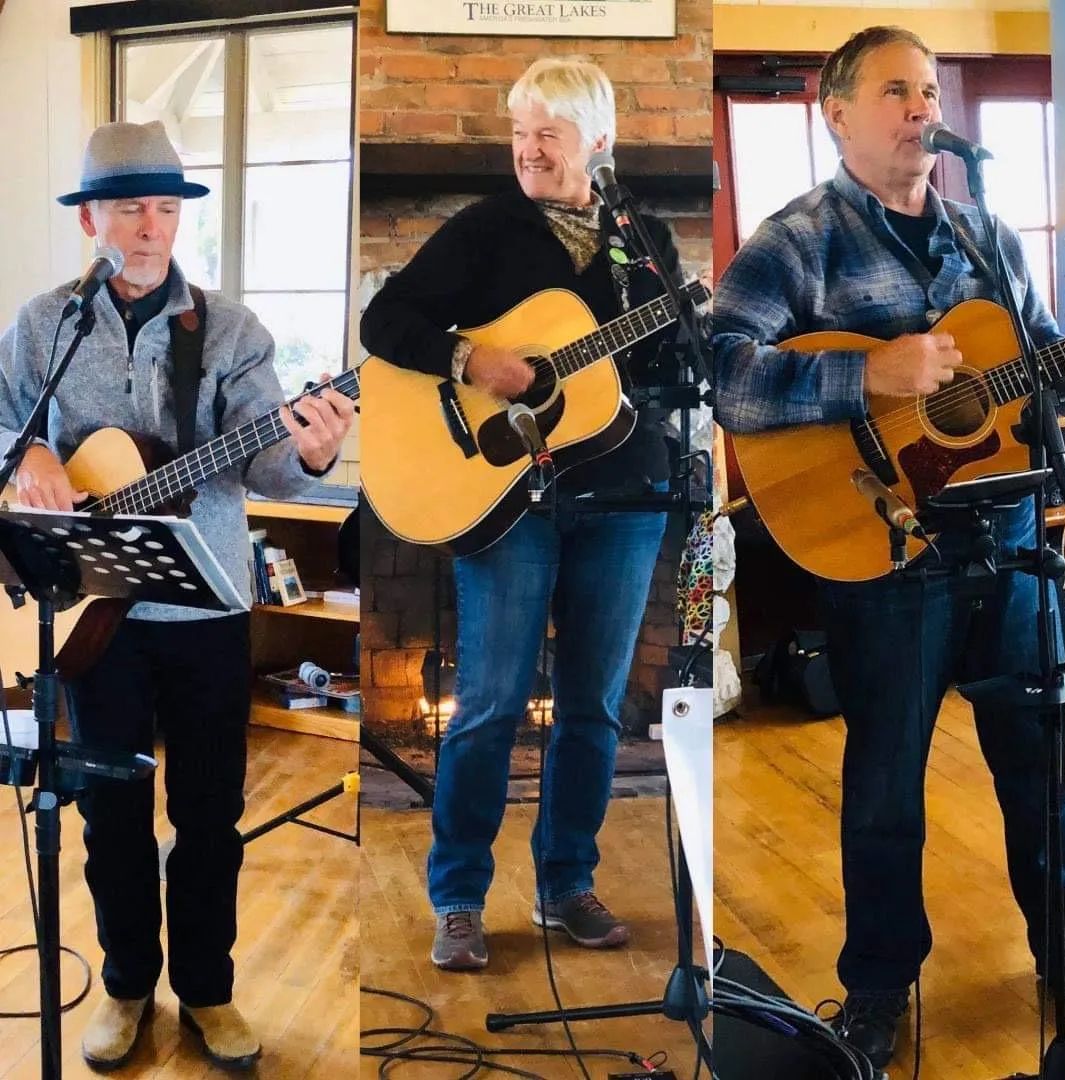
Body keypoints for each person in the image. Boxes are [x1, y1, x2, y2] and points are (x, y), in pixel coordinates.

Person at [713, 26, 1065, 1069]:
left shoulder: (985, 235)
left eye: (928, 90)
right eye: (896, 91)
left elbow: (1036, 369)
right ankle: (877, 985)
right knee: (884, 788)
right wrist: (867, 376)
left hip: (1010, 538)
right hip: (884, 551)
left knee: (1038, 767)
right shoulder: (798, 241)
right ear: (836, 114)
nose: (923, 108)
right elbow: (724, 375)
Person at [0, 121, 353, 1070]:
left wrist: (312, 451)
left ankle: (207, 991)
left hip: (207, 610)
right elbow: (0, 418)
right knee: (108, 812)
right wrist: (26, 455)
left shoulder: (231, 331)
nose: (151, 227)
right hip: (89, 613)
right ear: (91, 221)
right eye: (130, 209)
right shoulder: (43, 325)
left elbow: (271, 463)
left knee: (208, 815)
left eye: (165, 208)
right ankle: (125, 987)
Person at [360, 58, 682, 971]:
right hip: (507, 500)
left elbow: (663, 367)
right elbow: (385, 323)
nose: (529, 150)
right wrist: (473, 362)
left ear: (598, 141)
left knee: (593, 708)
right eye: (519, 133)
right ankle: (459, 898)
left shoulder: (642, 240)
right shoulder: (484, 230)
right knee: (490, 704)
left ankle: (566, 884)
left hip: (623, 491)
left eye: (549, 133)